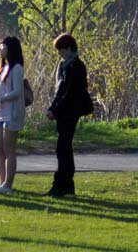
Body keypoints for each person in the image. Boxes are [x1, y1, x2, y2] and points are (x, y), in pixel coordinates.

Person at [45, 33, 94, 197]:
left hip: (70, 112)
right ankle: (66, 185)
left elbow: (68, 92)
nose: (59, 53)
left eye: (61, 50)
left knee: (63, 147)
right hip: (64, 111)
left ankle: (61, 183)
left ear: (69, 48)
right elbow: (60, 91)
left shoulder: (76, 67)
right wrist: (53, 107)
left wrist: (55, 110)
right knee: (63, 148)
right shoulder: (65, 65)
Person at [0, 36, 27, 195]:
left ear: (11, 49)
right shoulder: (2, 68)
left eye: (3, 47)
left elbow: (16, 92)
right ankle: (1, 182)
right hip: (0, 114)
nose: (0, 49)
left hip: (12, 113)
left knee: (9, 150)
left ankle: (8, 185)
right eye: (0, 47)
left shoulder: (16, 68)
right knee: (0, 150)